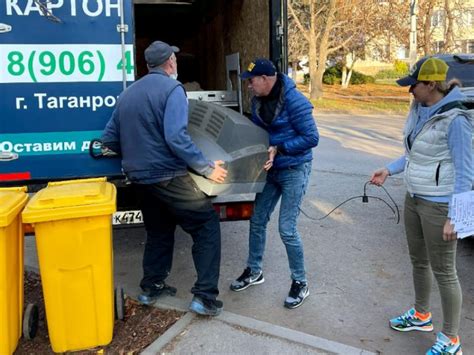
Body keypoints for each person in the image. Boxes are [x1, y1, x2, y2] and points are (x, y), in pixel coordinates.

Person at [101, 40, 228, 316]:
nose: (176, 63)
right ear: (170, 62)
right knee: (206, 226)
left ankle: (151, 287)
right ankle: (205, 297)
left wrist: (138, 152)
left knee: (159, 231)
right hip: (168, 176)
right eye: (175, 59)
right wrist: (207, 168)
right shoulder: (173, 89)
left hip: (139, 179)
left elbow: (109, 139)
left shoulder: (127, 94)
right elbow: (176, 137)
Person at [370, 57, 473, 355]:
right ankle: (421, 315)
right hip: (414, 198)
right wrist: (389, 169)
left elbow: (467, 171)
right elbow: (414, 154)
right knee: (419, 261)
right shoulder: (419, 109)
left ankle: (452, 340)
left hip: (439, 205)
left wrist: (459, 217)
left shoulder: (456, 120)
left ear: (431, 84)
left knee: (445, 271)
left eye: (413, 85)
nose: (409, 91)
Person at [230, 58, 319, 309]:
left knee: (287, 229)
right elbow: (259, 132)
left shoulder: (295, 101)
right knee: (257, 220)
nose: (248, 86)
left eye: (251, 81)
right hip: (271, 170)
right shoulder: (258, 100)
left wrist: (279, 149)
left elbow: (312, 137)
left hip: (294, 168)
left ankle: (300, 282)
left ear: (266, 79)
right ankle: (254, 271)